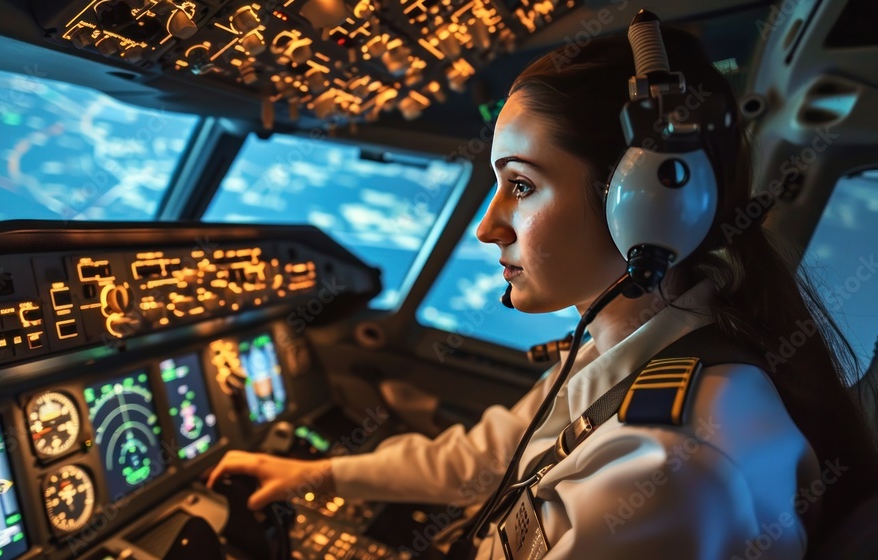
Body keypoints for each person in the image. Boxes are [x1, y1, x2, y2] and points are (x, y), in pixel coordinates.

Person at [207, 25, 878, 559]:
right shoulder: (634, 347)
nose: (486, 225)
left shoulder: (670, 467)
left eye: (521, 186)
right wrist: (313, 476)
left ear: (647, 207)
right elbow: (486, 458)